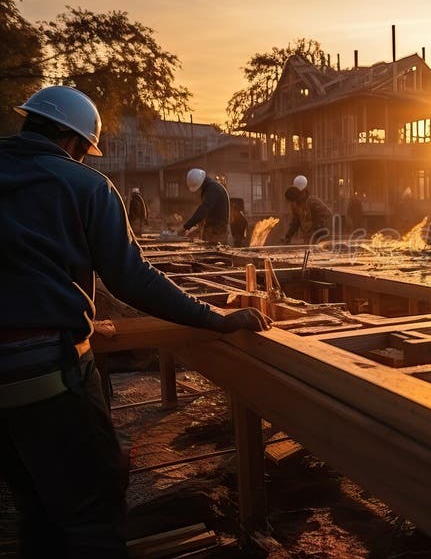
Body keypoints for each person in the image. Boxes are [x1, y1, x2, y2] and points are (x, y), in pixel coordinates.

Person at [0, 86, 270, 558]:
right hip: (46, 374)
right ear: (75, 142)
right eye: (85, 152)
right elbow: (133, 279)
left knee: (34, 508)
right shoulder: (85, 186)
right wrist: (215, 318)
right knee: (91, 515)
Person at [182, 168, 231, 245]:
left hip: (217, 232)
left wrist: (185, 227)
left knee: (213, 254)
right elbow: (208, 212)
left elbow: (203, 210)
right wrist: (196, 228)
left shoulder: (213, 190)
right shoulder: (212, 188)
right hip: (215, 230)